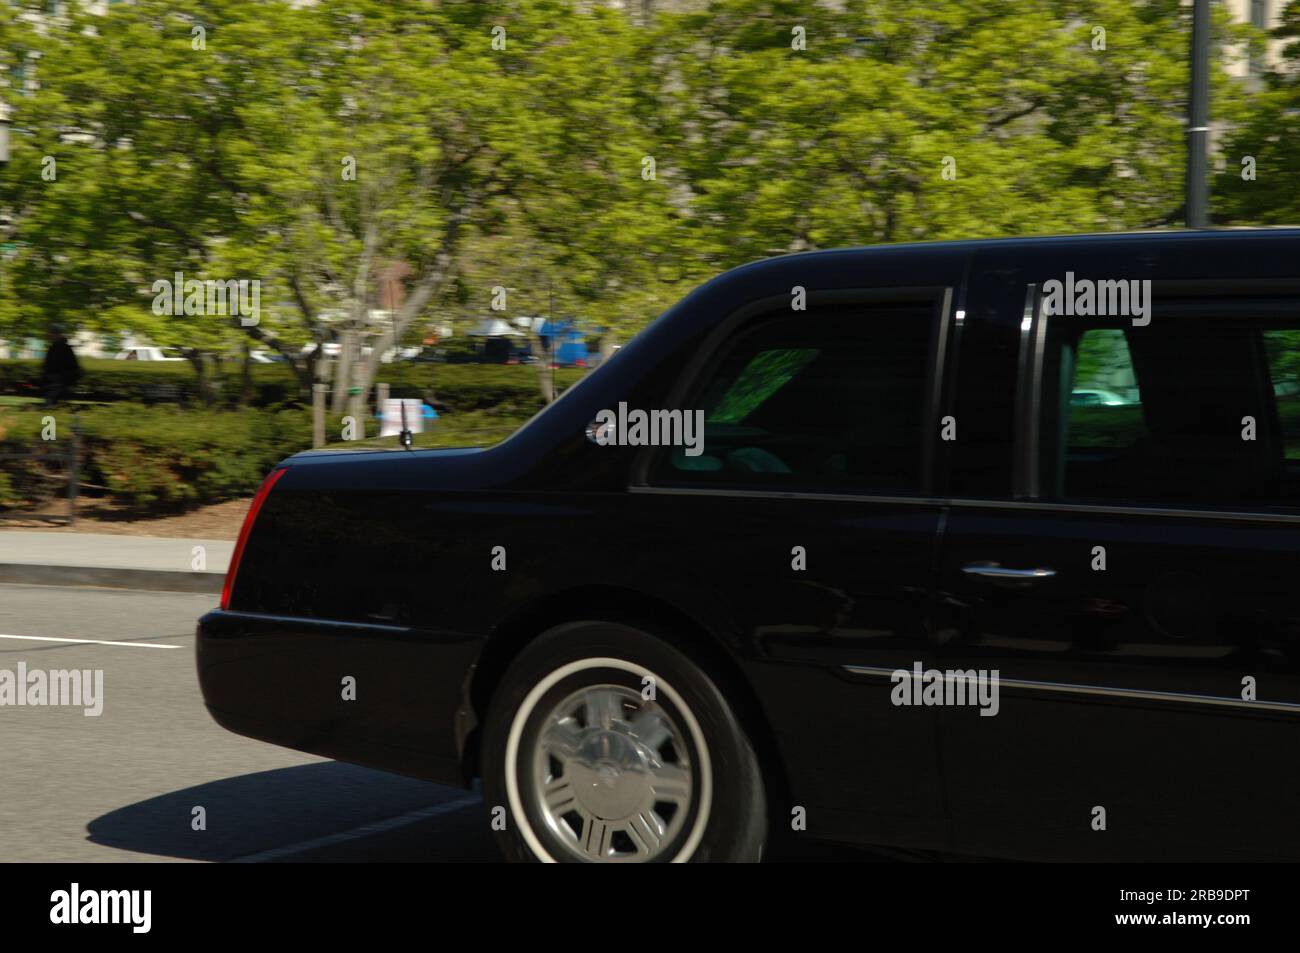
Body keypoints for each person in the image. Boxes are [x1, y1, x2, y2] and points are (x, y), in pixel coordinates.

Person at [40, 332, 82, 407]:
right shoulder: (63, 347)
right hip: (59, 378)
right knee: (57, 396)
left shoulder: (57, 347)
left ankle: (50, 407)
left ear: (57, 336)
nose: (49, 337)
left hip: (57, 378)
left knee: (53, 395)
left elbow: (50, 362)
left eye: (51, 335)